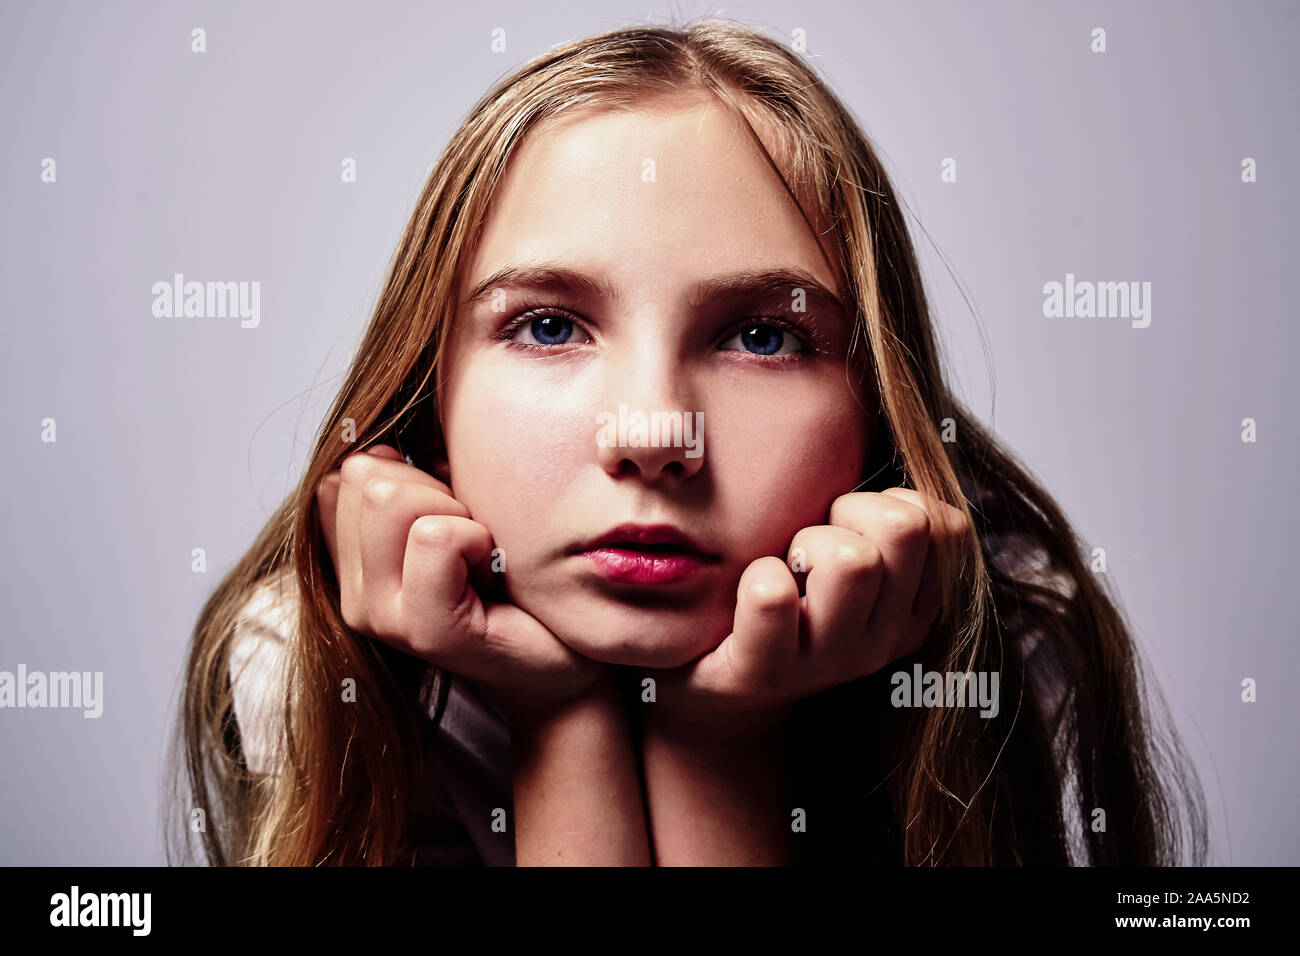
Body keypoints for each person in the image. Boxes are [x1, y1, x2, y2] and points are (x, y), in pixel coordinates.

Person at [165, 18, 1207, 866]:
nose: (653, 435)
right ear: (431, 395)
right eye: (549, 326)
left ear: (878, 410)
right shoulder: (306, 668)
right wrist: (561, 720)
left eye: (762, 336)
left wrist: (717, 747)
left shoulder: (998, 653)